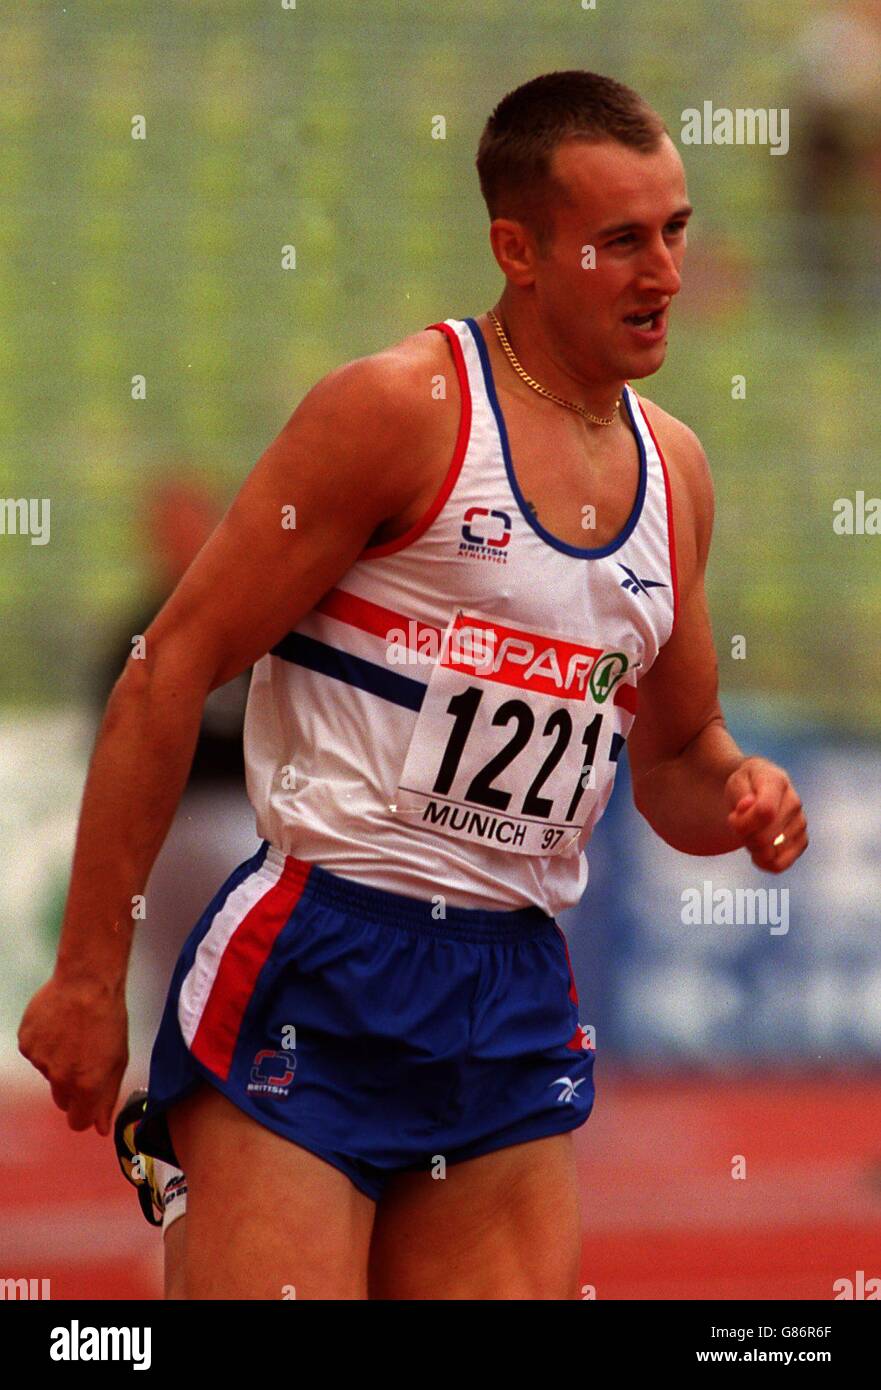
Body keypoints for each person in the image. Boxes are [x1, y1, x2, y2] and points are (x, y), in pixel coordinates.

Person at [18, 70, 809, 1301]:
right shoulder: (401, 412)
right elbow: (167, 666)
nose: (661, 274)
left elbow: (676, 762)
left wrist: (744, 793)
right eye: (617, 241)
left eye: (675, 231)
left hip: (508, 994)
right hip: (317, 966)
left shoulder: (677, 476)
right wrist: (81, 974)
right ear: (518, 249)